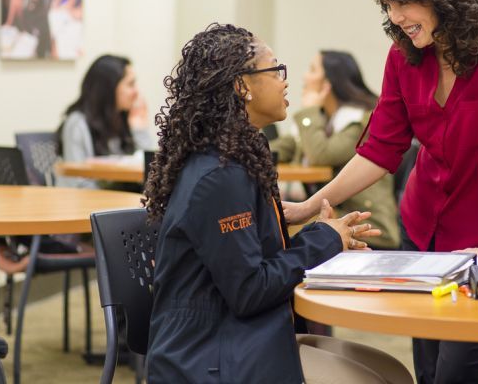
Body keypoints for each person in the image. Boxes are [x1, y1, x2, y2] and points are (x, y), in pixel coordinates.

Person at [284, 0, 478, 383]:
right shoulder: (404, 55)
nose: (396, 15)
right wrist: (310, 204)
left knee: (456, 371)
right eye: (387, 5)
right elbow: (380, 148)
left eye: (404, 2)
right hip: (424, 230)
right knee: (429, 371)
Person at [143, 23, 412, 384]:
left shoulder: (239, 155)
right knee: (383, 380)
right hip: (208, 356)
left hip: (240, 333)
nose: (286, 80)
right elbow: (250, 290)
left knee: (392, 372)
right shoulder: (218, 177)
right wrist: (324, 239)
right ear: (242, 86)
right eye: (276, 69)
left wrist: (314, 228)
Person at [271, 50, 400, 249]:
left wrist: (309, 112)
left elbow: (319, 155)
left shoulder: (359, 119)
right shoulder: (322, 118)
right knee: (275, 228)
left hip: (368, 226)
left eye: (312, 70)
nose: (305, 76)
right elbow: (283, 147)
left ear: (329, 82)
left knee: (279, 237)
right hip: (331, 217)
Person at [57, 54, 155, 189]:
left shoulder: (122, 119)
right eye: (130, 84)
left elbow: (151, 171)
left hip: (119, 201)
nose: (136, 92)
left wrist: (139, 128)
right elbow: (78, 182)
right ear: (109, 87)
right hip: (87, 203)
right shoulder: (77, 123)